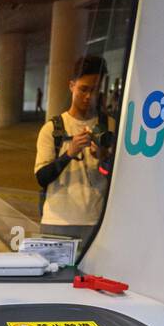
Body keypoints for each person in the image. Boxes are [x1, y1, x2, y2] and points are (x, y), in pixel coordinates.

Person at [34, 55, 113, 256]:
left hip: (98, 221)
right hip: (57, 222)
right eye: (83, 89)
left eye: (95, 90)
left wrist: (104, 158)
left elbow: (120, 176)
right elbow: (41, 177)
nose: (88, 96)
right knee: (52, 283)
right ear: (72, 86)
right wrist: (69, 153)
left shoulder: (110, 126)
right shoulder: (52, 129)